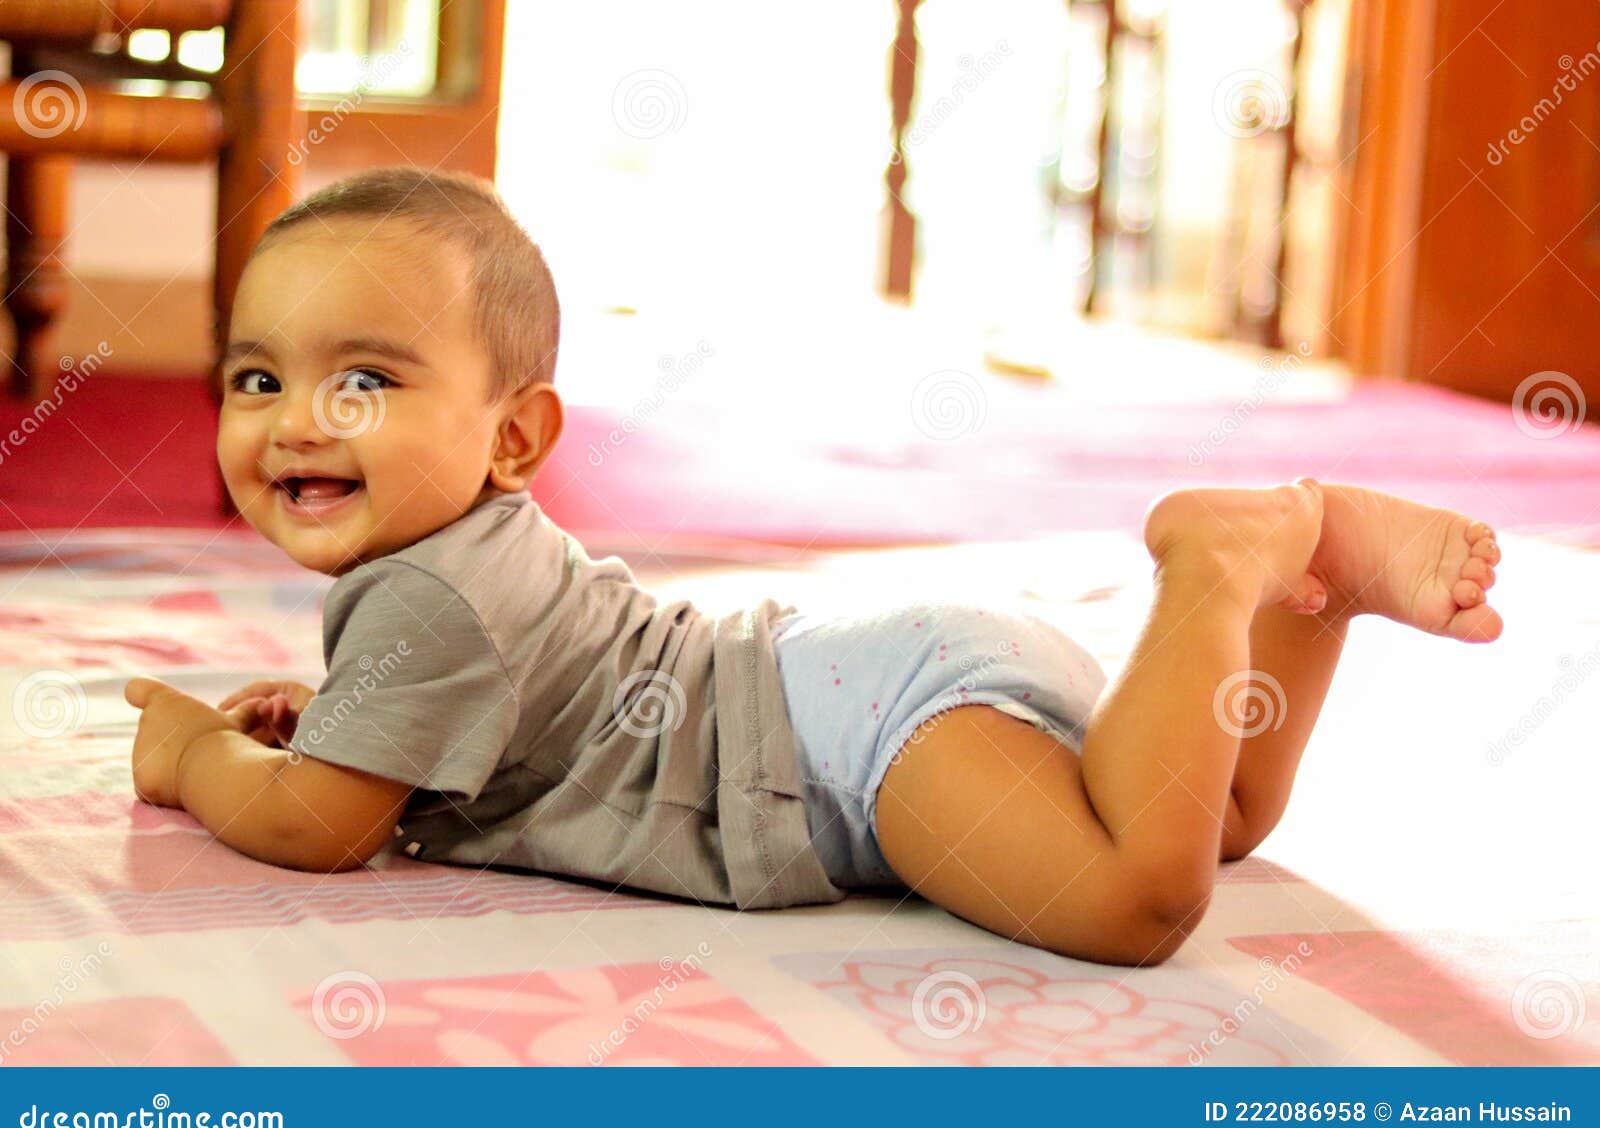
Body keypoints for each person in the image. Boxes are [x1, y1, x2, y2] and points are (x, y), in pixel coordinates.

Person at [124, 168, 1502, 966]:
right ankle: (1308, 568)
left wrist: (194, 757)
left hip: (846, 747)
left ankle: (1208, 562)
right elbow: (469, 715)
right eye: (258, 377)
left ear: (515, 437)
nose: (299, 419)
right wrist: (347, 727)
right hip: (873, 679)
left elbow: (318, 826)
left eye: (365, 379)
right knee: (1215, 809)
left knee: (1138, 897)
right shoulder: (449, 577)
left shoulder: (427, 596)